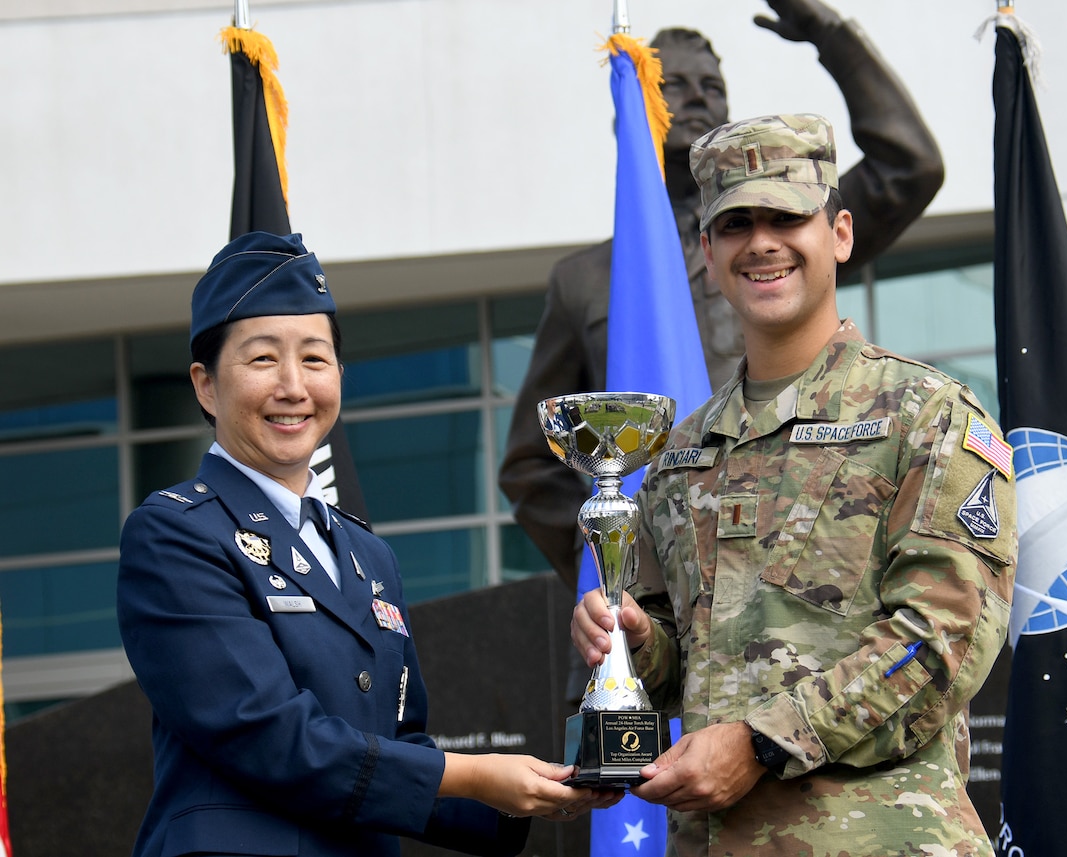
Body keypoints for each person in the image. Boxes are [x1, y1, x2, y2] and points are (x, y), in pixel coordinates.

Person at [570, 114, 1016, 856]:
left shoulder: (927, 417)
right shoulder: (680, 455)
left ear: (838, 233)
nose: (763, 242)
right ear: (708, 256)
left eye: (786, 215)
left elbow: (940, 642)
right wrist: (636, 642)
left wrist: (763, 742)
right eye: (737, 223)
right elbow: (682, 665)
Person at [116, 231, 618, 857]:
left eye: (316, 359)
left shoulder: (363, 553)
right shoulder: (176, 533)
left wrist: (540, 786)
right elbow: (265, 733)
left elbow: (393, 747)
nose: (294, 386)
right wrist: (473, 775)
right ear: (206, 385)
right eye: (263, 359)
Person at [500, 0, 946, 590]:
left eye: (712, 87)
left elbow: (910, 165)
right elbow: (533, 465)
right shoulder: (585, 279)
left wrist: (830, 36)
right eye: (673, 85)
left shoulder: (786, 235)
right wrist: (621, 567)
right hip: (646, 611)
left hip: (796, 575)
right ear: (634, 112)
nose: (698, 98)